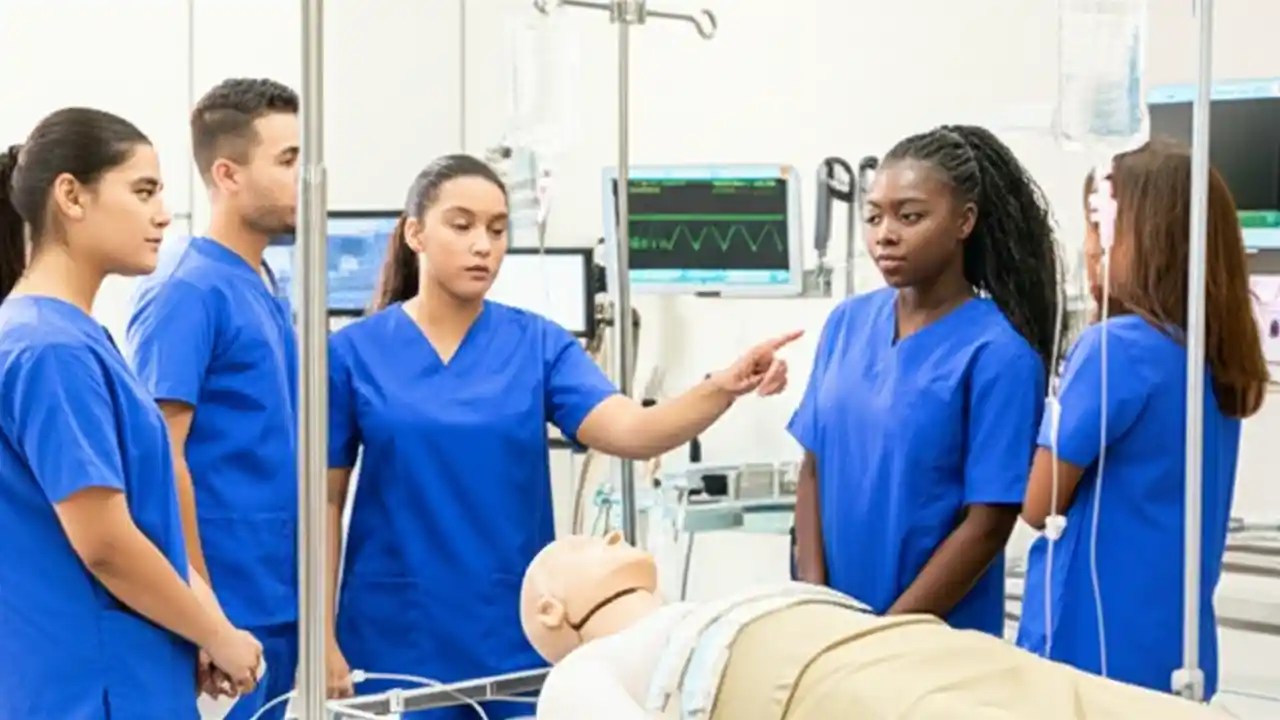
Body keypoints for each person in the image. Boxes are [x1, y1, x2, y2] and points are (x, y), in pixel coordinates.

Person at [323, 153, 801, 717]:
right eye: (463, 225)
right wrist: (322, 638)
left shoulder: (539, 346)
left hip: (517, 628)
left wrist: (722, 386)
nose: (484, 245)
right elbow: (325, 501)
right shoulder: (353, 354)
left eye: (498, 230)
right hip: (392, 629)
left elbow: (634, 430)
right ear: (415, 234)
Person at [0, 108, 263, 719]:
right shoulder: (48, 349)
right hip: (90, 688)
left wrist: (203, 621)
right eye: (143, 191)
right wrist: (216, 634)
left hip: (129, 675)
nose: (163, 214)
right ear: (71, 195)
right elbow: (106, 543)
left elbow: (149, 525)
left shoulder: (77, 337)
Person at [1017, 139, 1268, 698]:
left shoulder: (1114, 348)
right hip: (1176, 646)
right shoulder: (1215, 356)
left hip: (1089, 646)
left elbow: (1039, 505)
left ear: (1147, 243)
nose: (1086, 248)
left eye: (1097, 228)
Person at [790, 124, 1063, 636]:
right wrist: (815, 604)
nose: (884, 234)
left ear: (964, 221)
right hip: (829, 629)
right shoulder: (846, 324)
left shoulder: (997, 353)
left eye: (910, 216)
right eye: (874, 216)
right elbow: (812, 468)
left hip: (930, 638)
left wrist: (885, 638)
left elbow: (987, 526)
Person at [520, 533, 1228, 720]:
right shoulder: (584, 670)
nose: (611, 534)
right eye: (584, 545)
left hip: (898, 640)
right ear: (552, 609)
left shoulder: (704, 603)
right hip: (803, 686)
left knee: (1100, 705)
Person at [125, 78, 301, 720]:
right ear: (227, 173)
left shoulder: (265, 284)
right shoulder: (187, 291)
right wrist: (204, 612)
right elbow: (159, 459)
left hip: (278, 596)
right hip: (224, 605)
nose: (306, 177)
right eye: (288, 160)